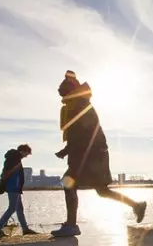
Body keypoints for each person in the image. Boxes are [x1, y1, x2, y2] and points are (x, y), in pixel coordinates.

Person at [51, 70, 147, 237]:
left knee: (68, 184)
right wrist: (66, 150)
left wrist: (70, 151)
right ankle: (136, 205)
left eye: (62, 86)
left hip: (89, 155)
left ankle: (72, 225)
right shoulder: (78, 103)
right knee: (102, 191)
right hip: (92, 154)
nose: (58, 89)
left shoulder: (79, 104)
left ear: (69, 89)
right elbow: (79, 133)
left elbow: (86, 133)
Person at [0, 144, 38, 237]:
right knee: (12, 208)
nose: (26, 156)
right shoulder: (15, 159)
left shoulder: (14, 158)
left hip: (15, 187)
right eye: (27, 153)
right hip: (13, 187)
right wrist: (4, 184)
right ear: (23, 151)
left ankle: (25, 229)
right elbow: (7, 173)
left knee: (19, 209)